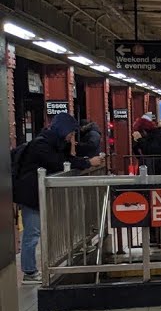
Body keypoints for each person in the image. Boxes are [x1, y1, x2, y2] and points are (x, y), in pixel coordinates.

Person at [12, 113, 104, 283]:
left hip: (39, 194)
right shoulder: (41, 145)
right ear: (63, 129)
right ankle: (29, 271)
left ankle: (35, 268)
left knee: (40, 230)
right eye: (71, 132)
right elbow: (58, 163)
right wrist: (88, 163)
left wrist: (83, 160)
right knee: (32, 233)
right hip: (30, 195)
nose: (72, 136)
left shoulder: (55, 143)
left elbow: (66, 159)